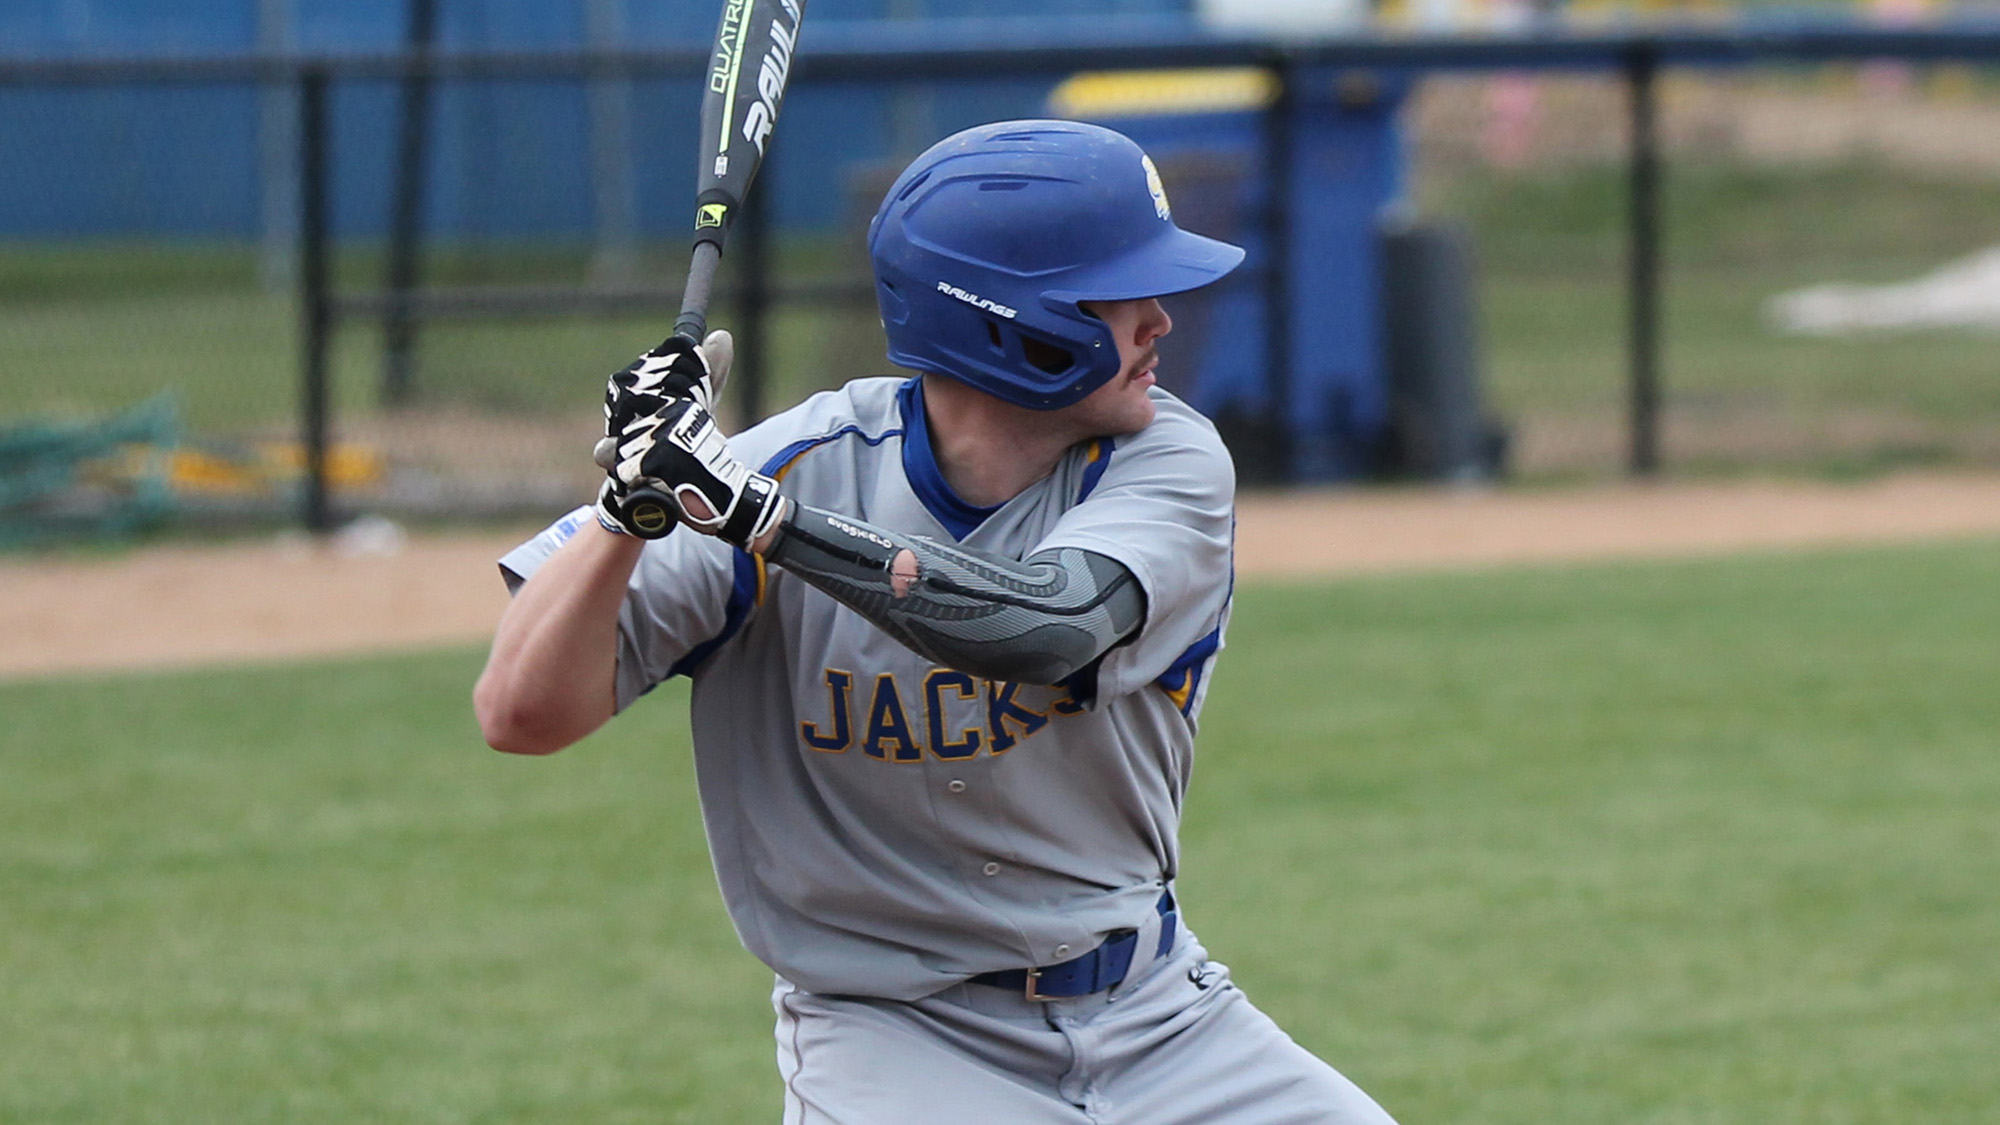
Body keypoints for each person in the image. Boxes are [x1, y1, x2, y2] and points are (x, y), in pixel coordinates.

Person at [475, 119, 1396, 1124]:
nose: (1159, 320)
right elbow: (522, 713)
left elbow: (1045, 629)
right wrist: (629, 505)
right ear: (1007, 316)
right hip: (892, 1044)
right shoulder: (790, 465)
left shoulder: (1165, 461)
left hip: (1160, 1018)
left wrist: (757, 521)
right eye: (1118, 290)